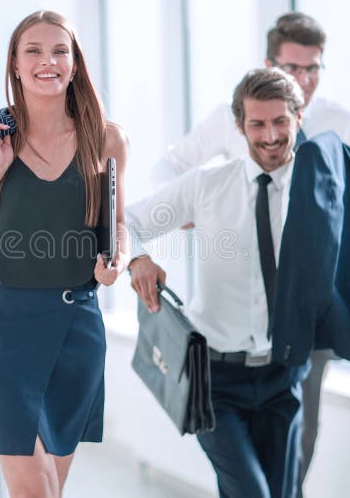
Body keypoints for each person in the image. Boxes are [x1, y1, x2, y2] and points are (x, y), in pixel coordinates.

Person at [147, 12, 350, 493]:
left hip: (305, 310)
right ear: (270, 64)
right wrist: (189, 214)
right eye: (292, 67)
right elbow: (169, 168)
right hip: (232, 307)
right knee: (246, 466)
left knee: (299, 436)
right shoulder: (234, 118)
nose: (303, 79)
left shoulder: (343, 124)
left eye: (312, 69)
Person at [0, 10, 129, 498]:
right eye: (34, 51)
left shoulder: (106, 138)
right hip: (1, 328)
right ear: (15, 64)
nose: (48, 61)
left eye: (59, 51)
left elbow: (117, 224)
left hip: (76, 325)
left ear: (74, 63)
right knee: (33, 489)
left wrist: (116, 261)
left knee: (50, 488)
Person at [127, 68, 309, 498]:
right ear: (239, 127)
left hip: (283, 373)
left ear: (298, 119)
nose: (270, 136)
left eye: (280, 121)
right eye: (257, 124)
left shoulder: (319, 189)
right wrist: (138, 259)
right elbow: (127, 222)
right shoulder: (205, 187)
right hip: (214, 379)